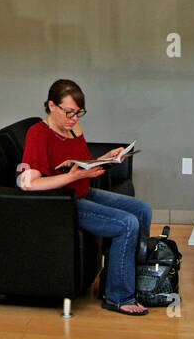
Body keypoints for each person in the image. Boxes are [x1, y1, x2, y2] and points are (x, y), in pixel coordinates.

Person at [18, 79, 152, 316]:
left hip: (83, 191)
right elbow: (29, 183)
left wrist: (106, 158)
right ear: (51, 106)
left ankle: (126, 279)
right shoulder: (38, 134)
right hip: (63, 203)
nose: (74, 119)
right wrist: (71, 178)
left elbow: (83, 160)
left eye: (79, 113)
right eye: (69, 112)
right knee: (127, 223)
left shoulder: (73, 129)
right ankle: (119, 297)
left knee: (142, 210)